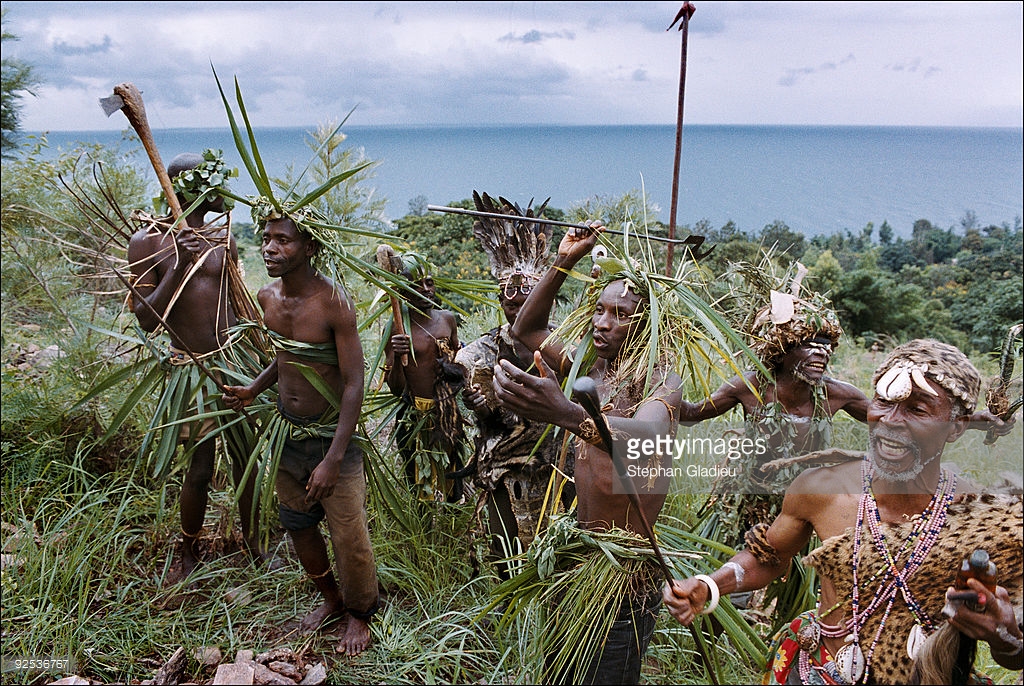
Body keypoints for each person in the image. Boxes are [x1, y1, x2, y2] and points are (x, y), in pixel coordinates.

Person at [663, 338, 1023, 685]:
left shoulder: (981, 517)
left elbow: (1015, 652)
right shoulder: (821, 489)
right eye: (884, 402)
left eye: (916, 409)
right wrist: (710, 585)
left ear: (956, 426)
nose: (890, 420)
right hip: (818, 670)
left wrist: (1002, 635)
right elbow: (770, 555)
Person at [491, 222, 688, 685]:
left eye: (618, 314)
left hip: (621, 572)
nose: (601, 323)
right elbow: (527, 329)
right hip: (577, 552)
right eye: (598, 310)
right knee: (561, 670)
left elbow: (648, 435)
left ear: (646, 323)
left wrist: (563, 411)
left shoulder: (662, 381)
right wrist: (565, 259)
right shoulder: (588, 367)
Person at [223, 213, 378, 656]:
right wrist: (255, 388)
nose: (270, 248)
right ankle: (330, 599)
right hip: (287, 436)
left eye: (283, 241)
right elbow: (287, 357)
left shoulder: (335, 303)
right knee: (298, 524)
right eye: (266, 239)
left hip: (333, 441)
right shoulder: (267, 297)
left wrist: (333, 457)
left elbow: (353, 384)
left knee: (348, 533)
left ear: (309, 248)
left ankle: (359, 613)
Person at [126, 151, 262, 581]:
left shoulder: (224, 238)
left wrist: (260, 352)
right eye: (215, 184)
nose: (225, 194)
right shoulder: (146, 241)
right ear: (189, 187)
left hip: (235, 364)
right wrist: (179, 264)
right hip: (193, 370)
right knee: (200, 468)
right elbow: (146, 318)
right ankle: (188, 548)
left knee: (248, 462)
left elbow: (238, 304)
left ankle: (257, 545)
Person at [454, 192, 575, 579]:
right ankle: (508, 617)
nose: (519, 300)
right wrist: (481, 404)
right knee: (505, 555)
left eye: (529, 292)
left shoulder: (569, 347)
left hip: (561, 466)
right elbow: (481, 404)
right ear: (498, 297)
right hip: (504, 467)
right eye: (510, 292)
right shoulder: (479, 351)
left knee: (563, 555)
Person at [383, 252, 469, 504]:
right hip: (413, 413)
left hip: (446, 410)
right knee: (418, 482)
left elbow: (458, 358)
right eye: (415, 285)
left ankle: (454, 525)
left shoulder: (447, 319)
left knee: (453, 473)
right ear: (403, 292)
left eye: (429, 283)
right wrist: (398, 356)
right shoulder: (398, 328)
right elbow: (396, 388)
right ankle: (423, 529)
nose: (425, 289)